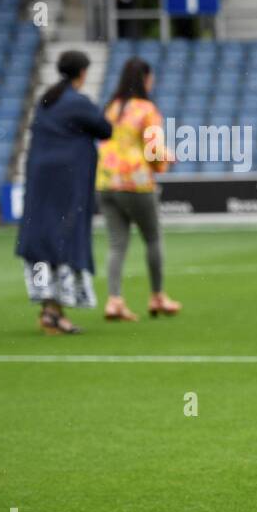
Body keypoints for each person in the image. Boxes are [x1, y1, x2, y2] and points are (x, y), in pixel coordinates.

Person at [15, 52, 112, 334]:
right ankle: (56, 313)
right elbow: (105, 129)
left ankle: (48, 310)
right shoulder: (76, 102)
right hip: (66, 185)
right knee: (64, 242)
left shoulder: (47, 100)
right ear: (82, 73)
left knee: (43, 242)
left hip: (40, 183)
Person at [96, 57, 180, 320]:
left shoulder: (111, 108)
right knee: (153, 238)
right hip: (135, 181)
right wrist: (165, 161)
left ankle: (114, 300)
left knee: (116, 244)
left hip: (106, 181)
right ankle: (157, 296)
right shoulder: (146, 109)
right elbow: (153, 151)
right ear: (145, 78)